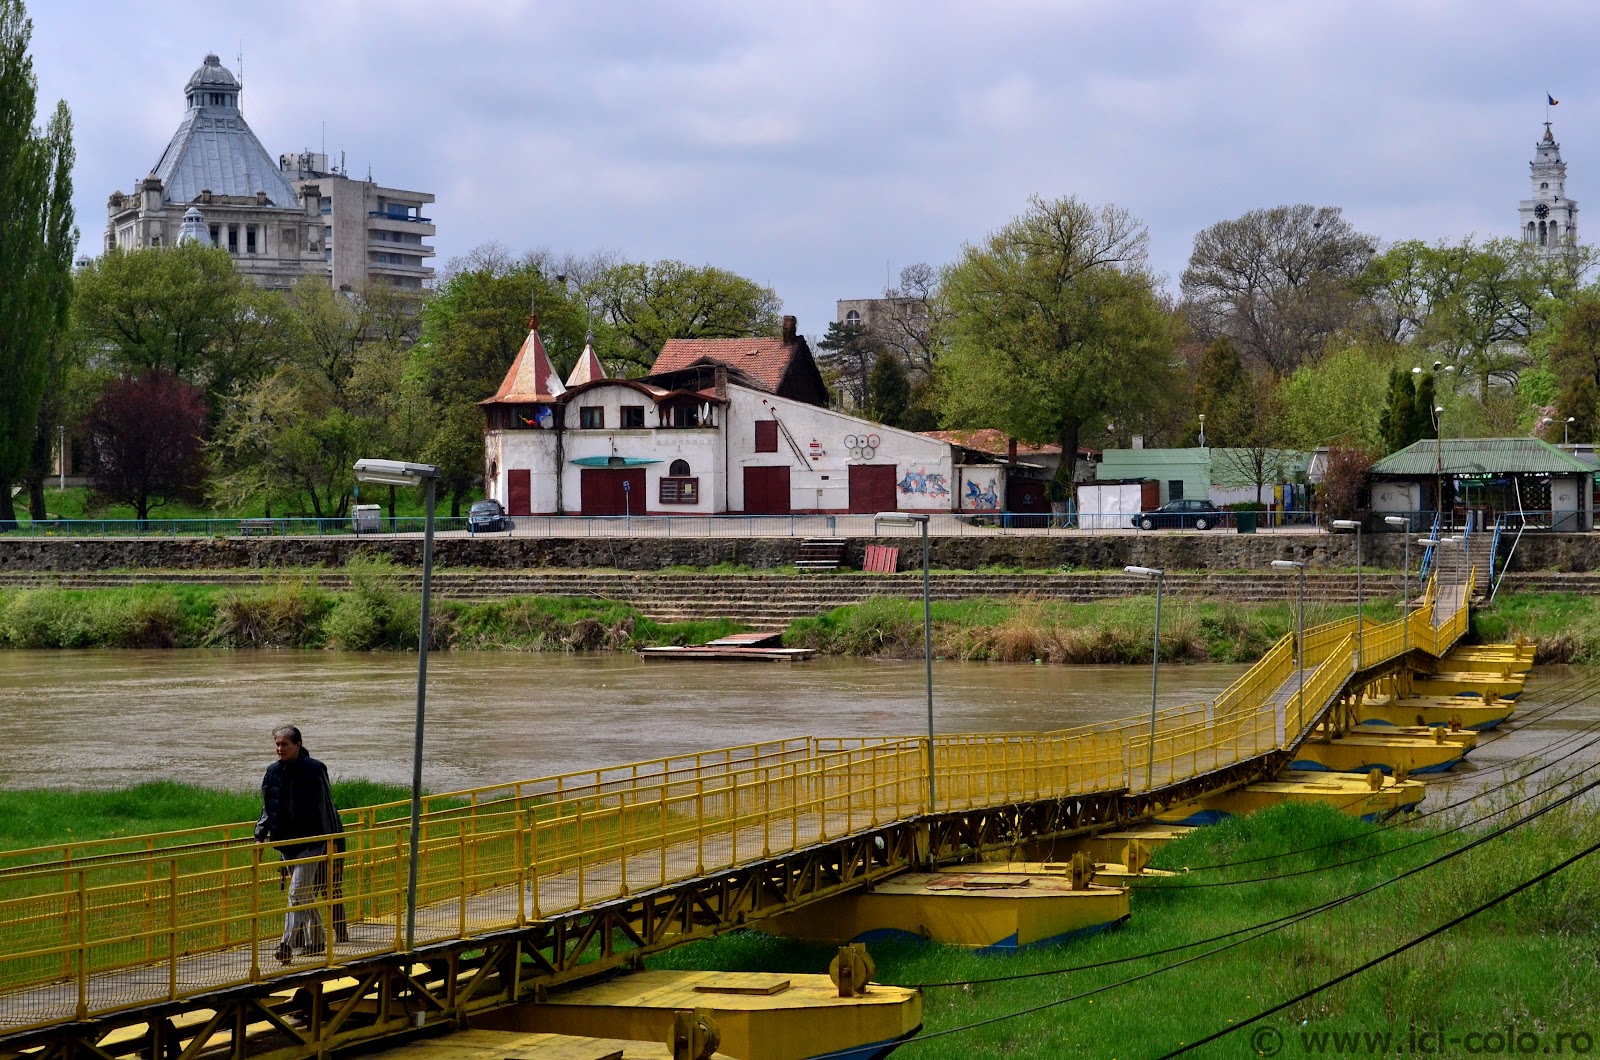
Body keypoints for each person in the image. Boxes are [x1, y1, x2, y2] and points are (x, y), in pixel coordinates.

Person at [255, 725, 347, 964]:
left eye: (284, 744)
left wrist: (332, 842)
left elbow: (325, 807)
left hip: (312, 842)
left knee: (296, 893)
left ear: (298, 745)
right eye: (277, 744)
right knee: (303, 895)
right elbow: (268, 806)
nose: (279, 749)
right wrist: (259, 836)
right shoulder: (272, 771)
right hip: (286, 843)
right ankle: (316, 941)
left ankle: (285, 944)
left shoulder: (315, 769)